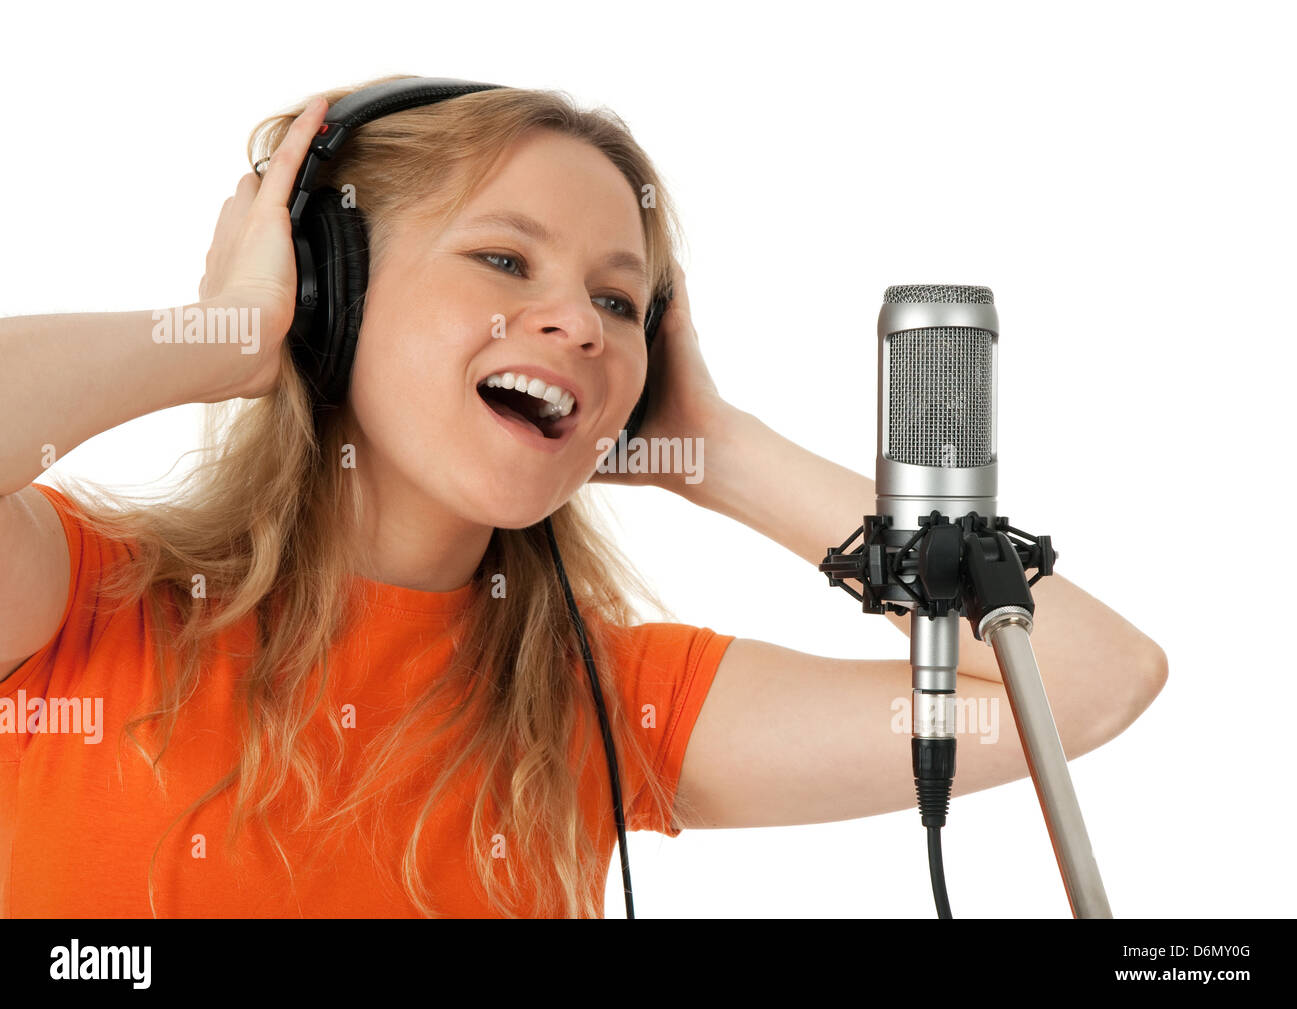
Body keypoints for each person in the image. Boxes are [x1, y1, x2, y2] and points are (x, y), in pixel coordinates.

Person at [0, 74, 1169, 918]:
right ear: (332, 295)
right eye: (504, 261)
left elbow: (1087, 681)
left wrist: (715, 451)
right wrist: (232, 337)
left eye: (619, 302)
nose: (576, 322)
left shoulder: (599, 707)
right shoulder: (68, 603)